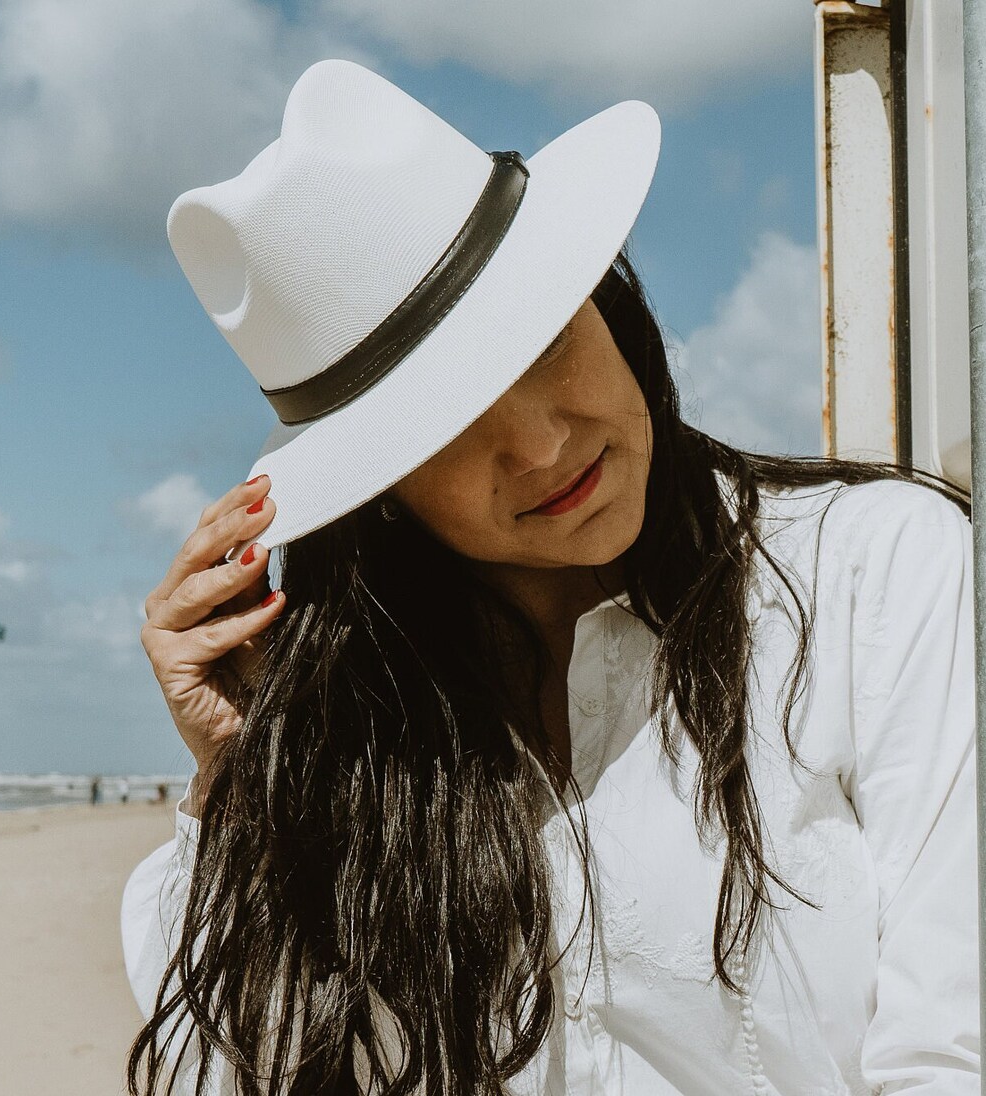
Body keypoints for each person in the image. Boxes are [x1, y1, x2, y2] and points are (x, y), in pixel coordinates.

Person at [121, 60, 978, 1095]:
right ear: (377, 491)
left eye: (544, 343)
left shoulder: (871, 572)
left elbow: (952, 1046)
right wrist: (240, 777)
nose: (537, 447)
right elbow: (233, 1073)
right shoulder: (375, 725)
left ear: (607, 303)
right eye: (440, 427)